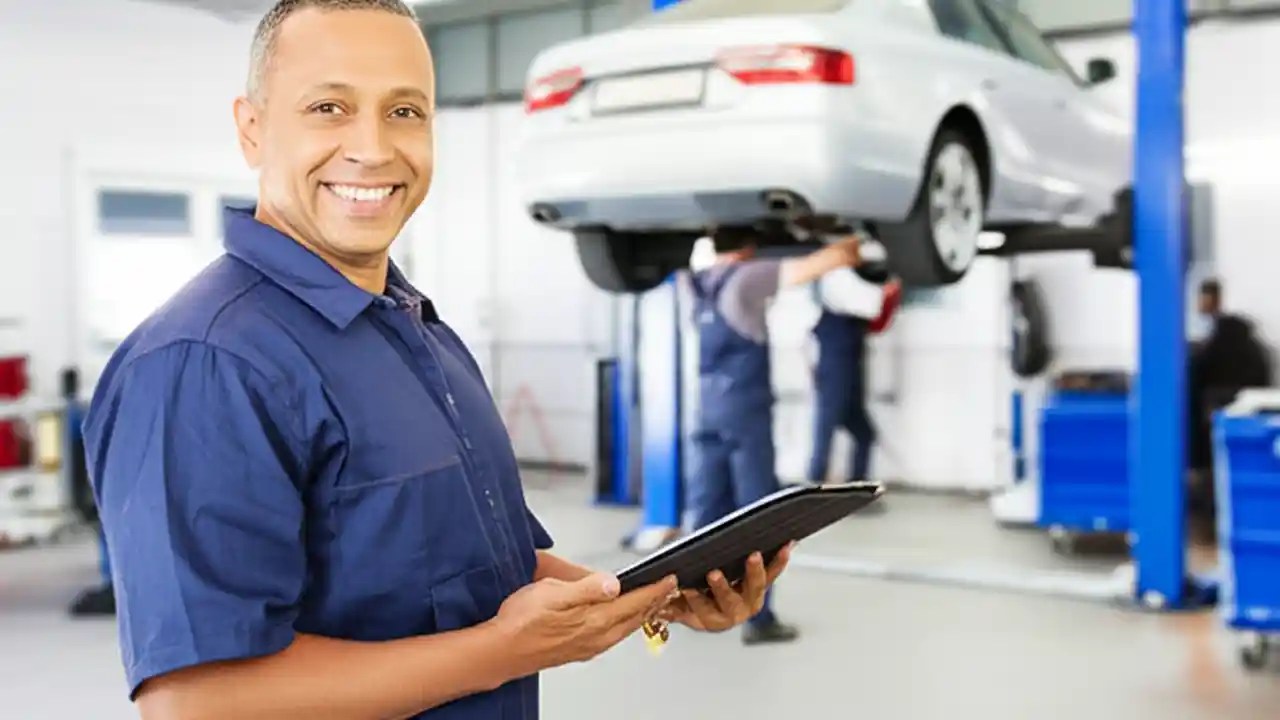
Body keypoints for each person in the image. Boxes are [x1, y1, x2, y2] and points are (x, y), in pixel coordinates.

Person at [81, 2, 792, 718]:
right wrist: (505, 652)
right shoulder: (202, 364)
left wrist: (655, 595)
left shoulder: (414, 329)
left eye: (405, 112)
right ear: (253, 128)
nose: (373, 148)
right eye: (329, 107)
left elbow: (487, 570)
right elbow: (198, 703)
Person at [684, 228, 863, 645]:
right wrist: (856, 242)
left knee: (707, 514)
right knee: (758, 520)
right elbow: (824, 263)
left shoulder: (695, 282)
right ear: (750, 246)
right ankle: (759, 620)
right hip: (744, 415)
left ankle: (694, 605)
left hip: (706, 411)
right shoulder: (749, 276)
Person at [806, 265, 898, 486]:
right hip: (836, 369)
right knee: (826, 426)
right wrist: (890, 290)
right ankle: (814, 481)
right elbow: (873, 308)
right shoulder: (838, 279)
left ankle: (857, 486)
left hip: (848, 370)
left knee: (863, 433)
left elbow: (876, 321)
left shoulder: (845, 297)